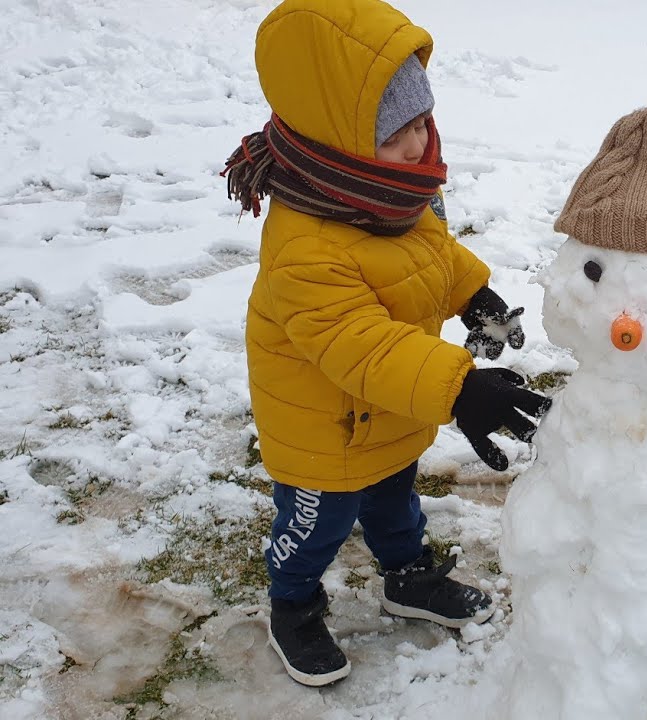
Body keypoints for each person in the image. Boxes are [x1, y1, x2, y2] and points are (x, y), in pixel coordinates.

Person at [222, 0, 550, 688]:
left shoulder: (385, 193)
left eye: (423, 120)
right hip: (324, 422)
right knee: (318, 524)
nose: (417, 144)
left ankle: (406, 577)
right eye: (396, 131)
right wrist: (459, 386)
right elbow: (360, 345)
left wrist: (475, 296)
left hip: (387, 408)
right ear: (336, 137)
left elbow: (431, 257)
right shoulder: (306, 245)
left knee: (395, 497)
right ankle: (293, 604)